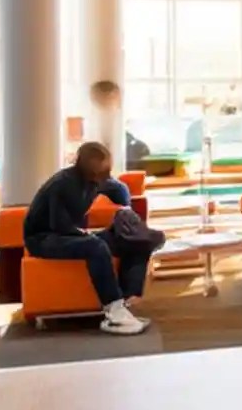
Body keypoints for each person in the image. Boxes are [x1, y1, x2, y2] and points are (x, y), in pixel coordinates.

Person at [22, 142, 151, 336]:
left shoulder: (98, 181)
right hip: (43, 238)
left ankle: (125, 301)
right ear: (88, 167)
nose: (105, 173)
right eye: (101, 169)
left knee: (132, 239)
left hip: (70, 233)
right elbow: (59, 225)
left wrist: (126, 210)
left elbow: (119, 189)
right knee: (96, 247)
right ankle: (114, 311)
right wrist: (87, 235)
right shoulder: (62, 184)